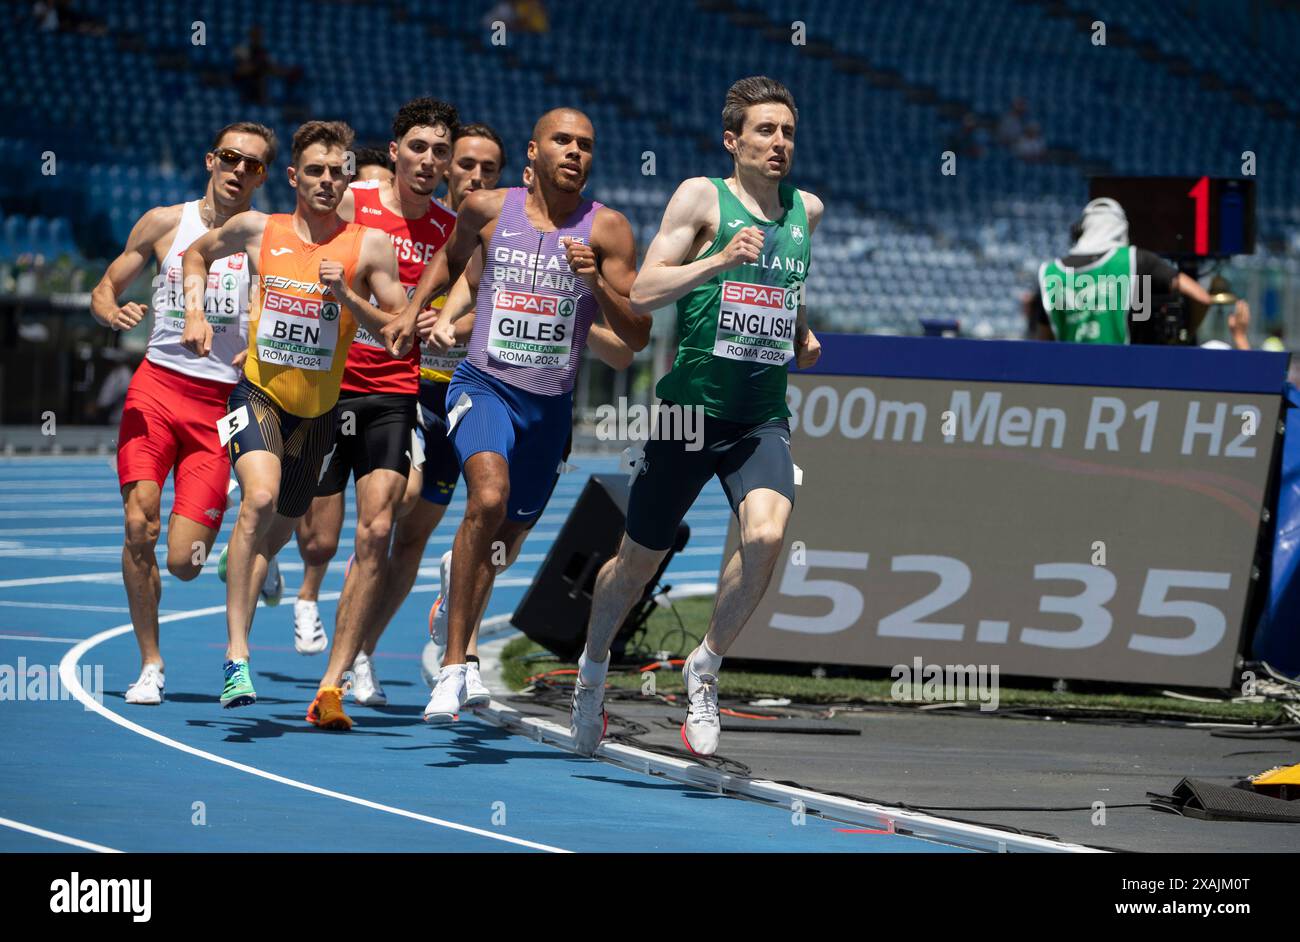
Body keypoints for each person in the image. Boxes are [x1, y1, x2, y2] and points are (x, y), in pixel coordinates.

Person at [569, 76, 823, 757]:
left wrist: (799, 330)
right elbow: (643, 291)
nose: (779, 144)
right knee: (636, 563)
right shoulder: (700, 197)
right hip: (688, 414)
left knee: (767, 535)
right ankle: (593, 670)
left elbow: (785, 282)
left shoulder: (808, 211)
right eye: (766, 131)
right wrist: (715, 260)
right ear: (732, 140)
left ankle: (705, 667)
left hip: (759, 417)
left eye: (788, 132)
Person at [404, 106, 650, 722]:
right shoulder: (488, 210)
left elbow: (638, 334)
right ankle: (457, 666)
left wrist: (596, 284)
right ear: (532, 153)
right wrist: (424, 312)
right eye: (561, 141)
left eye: (585, 144)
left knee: (502, 543)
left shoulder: (609, 230)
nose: (574, 151)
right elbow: (456, 259)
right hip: (483, 385)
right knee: (486, 500)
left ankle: (456, 590)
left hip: (548, 409)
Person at [180, 120, 411, 713]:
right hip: (256, 394)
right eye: (315, 171)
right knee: (257, 500)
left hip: (320, 416)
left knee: (276, 533)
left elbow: (400, 334)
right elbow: (195, 257)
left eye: (338, 173)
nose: (328, 182)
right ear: (294, 177)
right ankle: (237, 656)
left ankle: (259, 577)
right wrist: (195, 315)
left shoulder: (370, 247)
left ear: (350, 180)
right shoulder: (260, 230)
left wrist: (349, 298)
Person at [89, 121, 276, 705]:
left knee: (184, 562)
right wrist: (111, 313)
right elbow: (104, 288)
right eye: (230, 157)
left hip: (221, 404)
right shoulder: (165, 222)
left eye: (253, 163)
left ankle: (233, 556)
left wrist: (260, 343)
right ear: (210, 161)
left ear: (264, 175)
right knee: (137, 524)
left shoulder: (269, 239)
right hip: (157, 388)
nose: (239, 169)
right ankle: (150, 663)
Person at [293, 99, 459, 714]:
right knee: (309, 532)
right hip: (325, 385)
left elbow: (464, 306)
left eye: (440, 151)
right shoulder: (351, 201)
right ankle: (292, 592)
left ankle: (334, 679)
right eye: (418, 147)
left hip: (393, 390)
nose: (429, 161)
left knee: (381, 526)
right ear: (394, 152)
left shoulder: (449, 230)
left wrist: (447, 321)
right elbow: (295, 253)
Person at [1036, 198, 1224, 344]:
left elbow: (1044, 341)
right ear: (1122, 231)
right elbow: (1201, 297)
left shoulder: (1051, 272)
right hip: (1126, 377)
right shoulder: (1138, 260)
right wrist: (1184, 337)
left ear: (1080, 230)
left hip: (1069, 379)